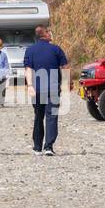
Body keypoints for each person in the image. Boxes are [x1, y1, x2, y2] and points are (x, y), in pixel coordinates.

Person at [23, 25, 70, 156]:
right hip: (53, 89)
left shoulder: (30, 50)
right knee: (52, 116)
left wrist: (30, 86)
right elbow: (65, 67)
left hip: (37, 90)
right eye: (49, 32)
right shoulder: (56, 49)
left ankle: (37, 147)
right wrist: (67, 84)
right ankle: (48, 146)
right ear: (44, 35)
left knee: (38, 117)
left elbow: (28, 70)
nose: (51, 34)